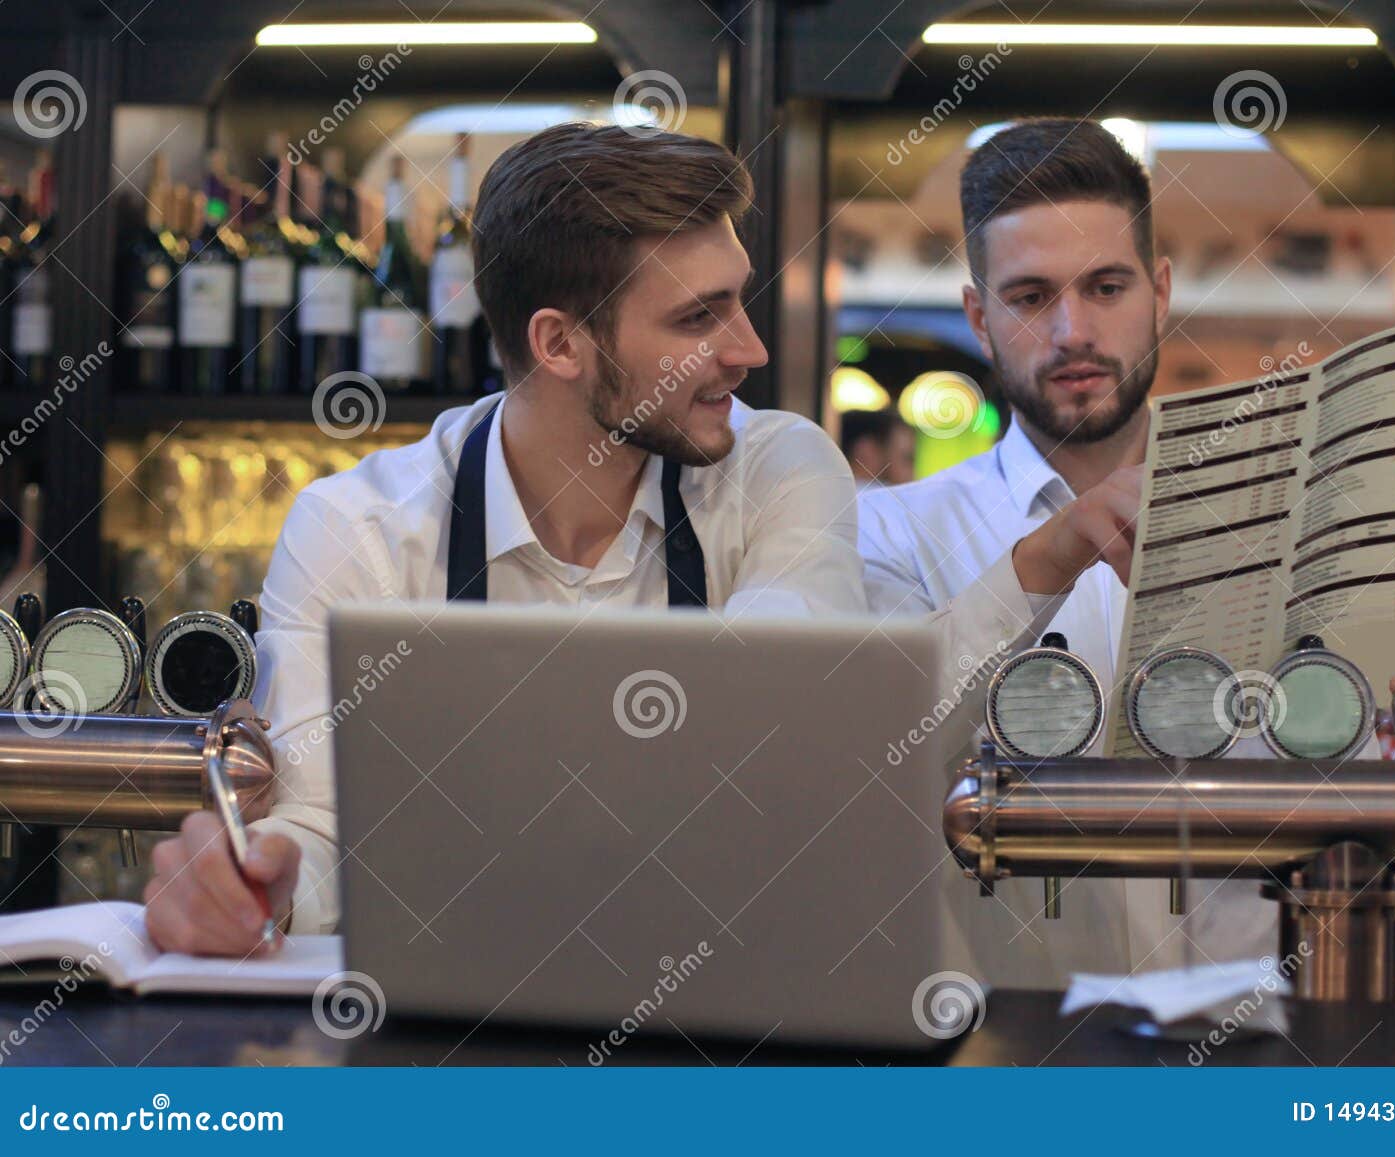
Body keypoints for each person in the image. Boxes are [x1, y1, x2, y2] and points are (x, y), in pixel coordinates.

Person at [142, 124, 866, 955]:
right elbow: (325, 825)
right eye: (699, 317)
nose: (750, 349)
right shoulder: (357, 528)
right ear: (560, 343)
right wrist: (259, 887)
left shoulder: (784, 471)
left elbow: (776, 721)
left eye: (738, 298)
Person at [858, 117, 1395, 987]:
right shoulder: (891, 529)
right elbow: (875, 769)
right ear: (978, 313)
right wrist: (1046, 559)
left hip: (1258, 1042)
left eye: (1106, 286)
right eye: (1031, 296)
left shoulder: (1293, 522)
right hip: (1005, 1050)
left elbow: (1364, 798)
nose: (1073, 330)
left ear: (1159, 290)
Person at [840, 409, 916, 489]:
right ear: (867, 453)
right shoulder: (883, 498)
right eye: (907, 459)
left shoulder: (832, 494)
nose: (913, 473)